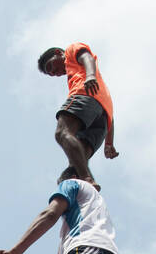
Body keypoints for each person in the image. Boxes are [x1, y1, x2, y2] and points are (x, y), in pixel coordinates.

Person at [38, 44, 118, 182]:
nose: (56, 73)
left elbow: (87, 57)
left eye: (51, 67)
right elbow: (109, 113)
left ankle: (87, 178)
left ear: (58, 53)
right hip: (102, 117)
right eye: (52, 74)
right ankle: (80, 186)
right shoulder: (101, 87)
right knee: (76, 162)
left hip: (85, 95)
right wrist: (109, 143)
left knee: (62, 133)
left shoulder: (71, 51)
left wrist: (90, 76)